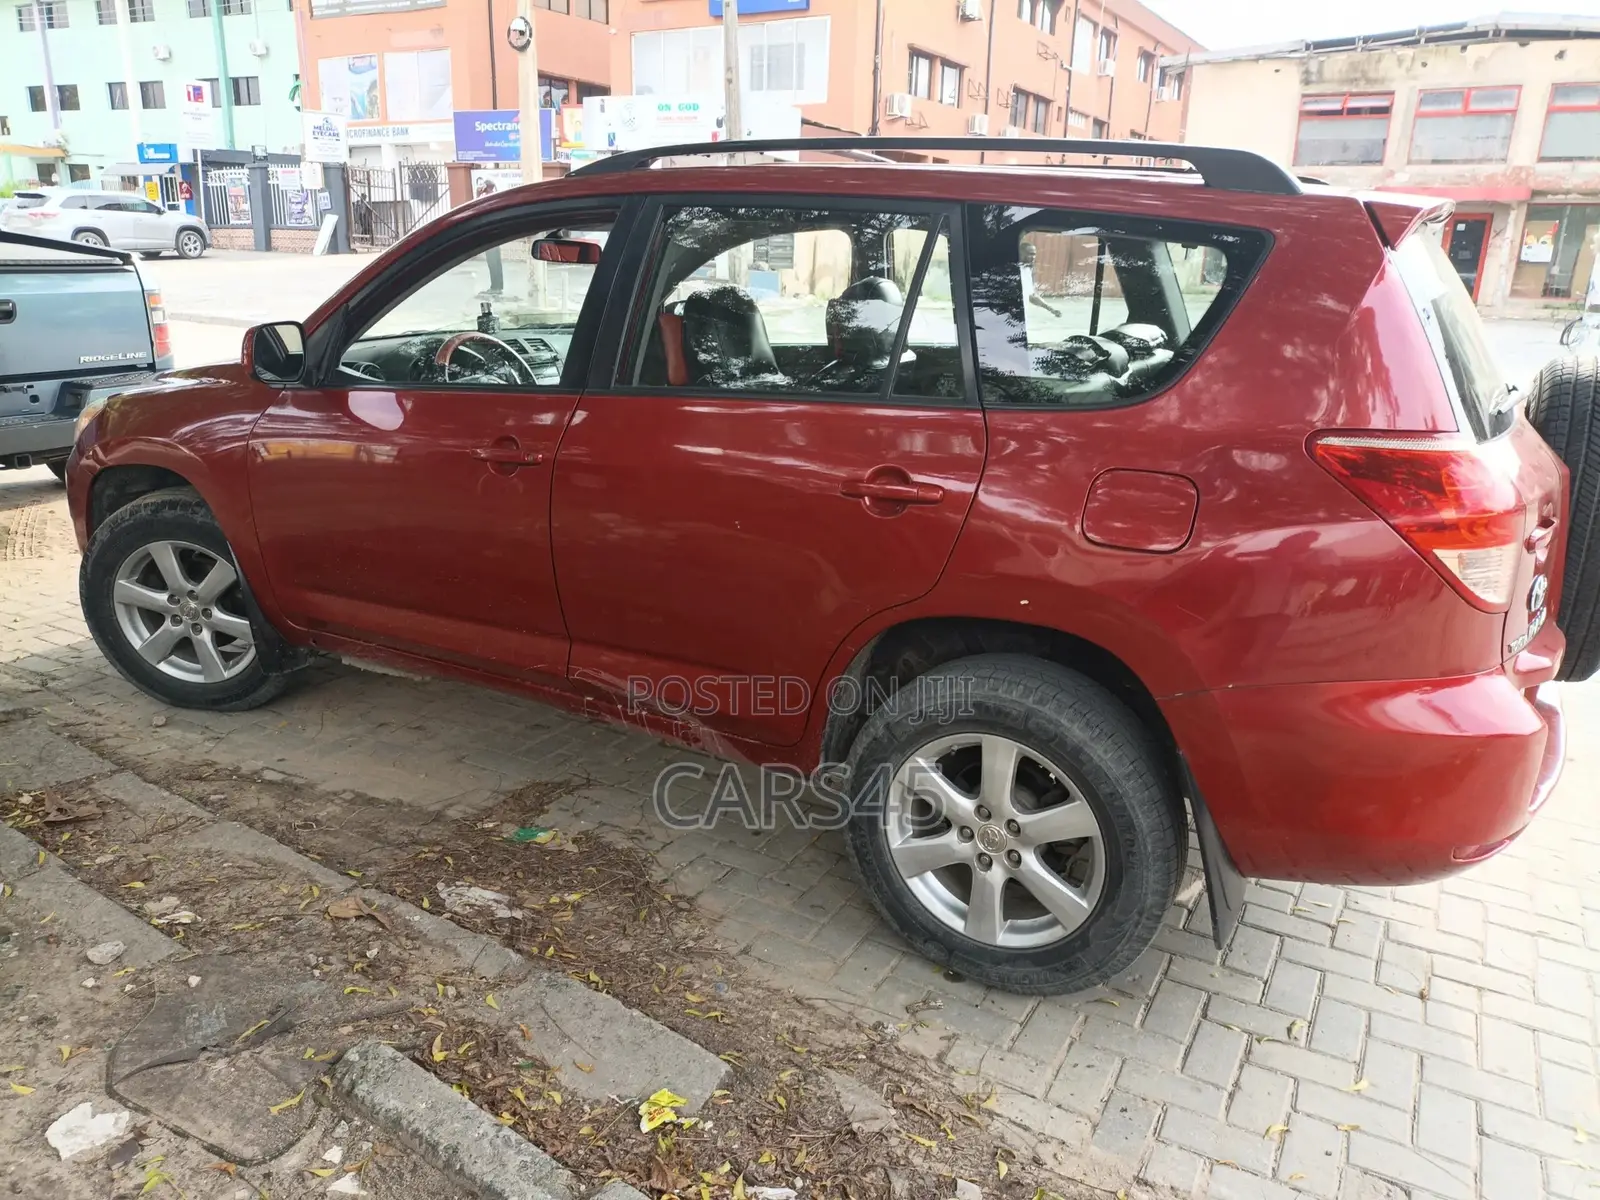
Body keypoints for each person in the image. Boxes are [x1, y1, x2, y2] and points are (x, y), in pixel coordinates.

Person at [477, 178, 504, 296]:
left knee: (493, 263)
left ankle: (495, 287)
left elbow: (475, 207)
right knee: (496, 263)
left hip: (489, 236)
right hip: (496, 236)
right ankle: (498, 286)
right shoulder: (496, 197)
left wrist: (478, 194)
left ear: (485, 187)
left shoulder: (486, 198)